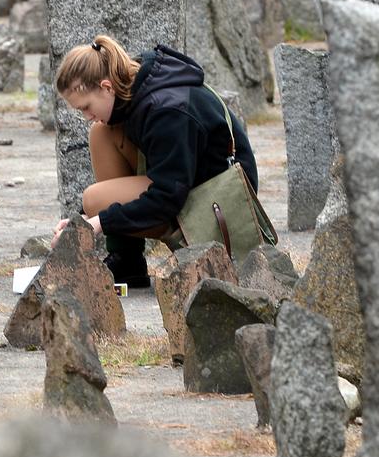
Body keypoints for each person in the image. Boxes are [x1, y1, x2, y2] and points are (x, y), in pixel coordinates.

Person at [52, 35, 258, 288]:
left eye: (86, 107)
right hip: (185, 183)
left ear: (106, 87)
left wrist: (99, 221)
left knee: (94, 199)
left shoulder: (166, 110)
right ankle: (126, 260)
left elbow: (166, 198)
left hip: (217, 203)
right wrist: (81, 220)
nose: (85, 116)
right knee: (101, 132)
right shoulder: (135, 86)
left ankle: (125, 254)